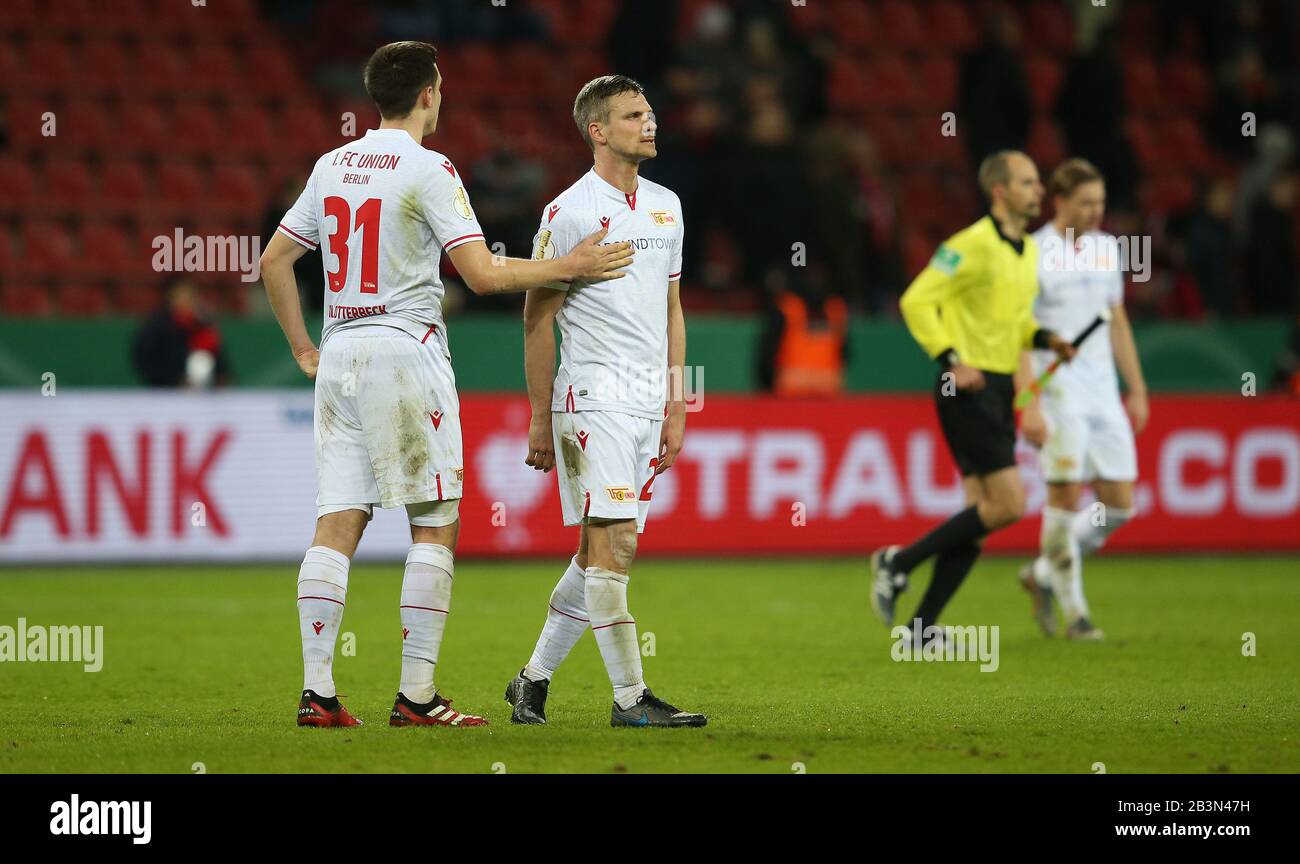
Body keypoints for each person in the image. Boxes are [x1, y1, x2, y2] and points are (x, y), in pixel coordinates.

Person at [258, 42, 633, 729]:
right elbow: (483, 275)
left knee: (337, 520)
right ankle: (417, 697)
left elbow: (275, 259)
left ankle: (319, 694)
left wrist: (304, 346)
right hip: (405, 350)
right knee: (434, 522)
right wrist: (567, 265)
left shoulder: (331, 164)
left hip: (340, 352)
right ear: (430, 93)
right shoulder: (430, 168)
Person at [504, 75, 706, 728]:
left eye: (649, 113)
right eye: (631, 115)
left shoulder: (668, 206)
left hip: (648, 404)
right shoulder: (569, 213)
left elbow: (672, 308)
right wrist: (539, 414)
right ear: (597, 130)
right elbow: (536, 315)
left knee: (597, 554)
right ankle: (629, 698)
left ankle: (530, 681)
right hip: (592, 400)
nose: (649, 123)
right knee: (616, 545)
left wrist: (678, 402)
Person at [869, 151, 1076, 643]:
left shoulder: (1024, 250)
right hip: (968, 386)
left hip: (999, 387)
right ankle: (898, 561)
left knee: (977, 515)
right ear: (1000, 191)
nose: (1039, 191)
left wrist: (1047, 340)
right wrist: (950, 358)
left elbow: (1015, 320)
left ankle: (921, 628)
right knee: (1010, 503)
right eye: (1028, 183)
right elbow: (916, 299)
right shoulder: (970, 244)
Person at [1018, 158, 1149, 641]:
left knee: (1118, 505)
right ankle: (1076, 614)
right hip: (1057, 390)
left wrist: (1135, 387)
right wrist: (1029, 400)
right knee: (1066, 499)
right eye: (1085, 203)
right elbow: (1019, 334)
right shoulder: (1032, 253)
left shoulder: (1108, 248)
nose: (1096, 212)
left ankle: (1042, 574)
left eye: (1100, 202)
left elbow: (1116, 320)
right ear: (1060, 201)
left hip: (1102, 389)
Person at [131, 275, 232, 388]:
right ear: (170, 297)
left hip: (203, 394)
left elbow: (220, 363)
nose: (185, 301)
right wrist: (176, 380)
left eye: (189, 296)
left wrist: (220, 378)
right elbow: (147, 361)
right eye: (181, 296)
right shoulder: (156, 327)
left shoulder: (203, 327)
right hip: (164, 393)